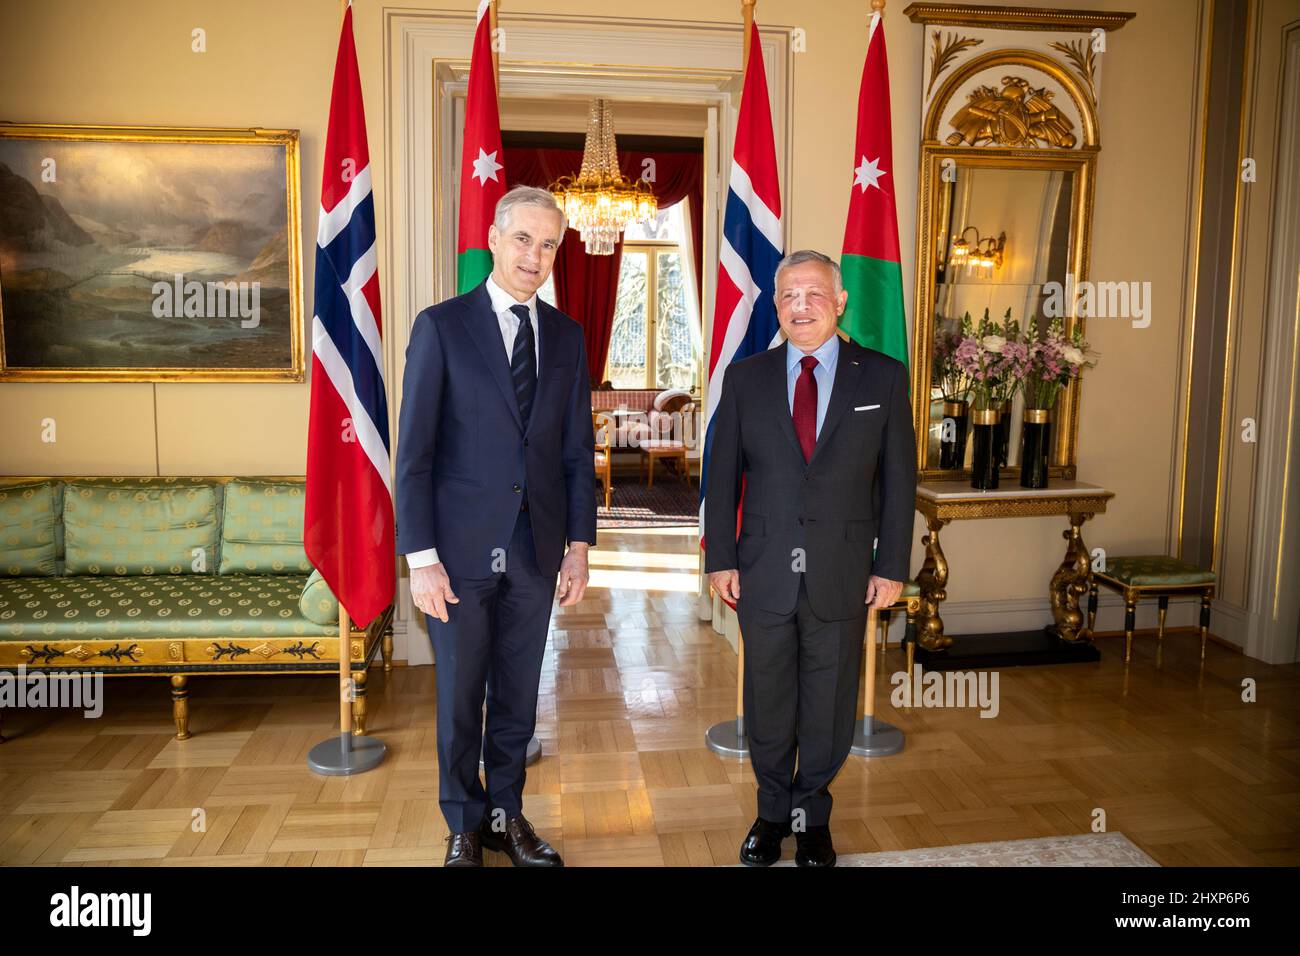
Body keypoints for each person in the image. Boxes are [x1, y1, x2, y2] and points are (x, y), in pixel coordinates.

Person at [395, 185, 596, 867]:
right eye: (523, 239)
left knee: (518, 692)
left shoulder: (566, 337)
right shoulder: (442, 327)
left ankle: (506, 818)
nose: (534, 256)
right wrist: (420, 559)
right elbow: (415, 455)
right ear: (495, 238)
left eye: (547, 245)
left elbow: (574, 450)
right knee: (459, 696)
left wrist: (578, 545)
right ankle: (463, 824)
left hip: (536, 550)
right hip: (455, 554)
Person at [704, 249, 916, 867]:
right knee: (769, 702)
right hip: (762, 570)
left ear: (840, 301)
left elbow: (899, 481)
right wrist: (721, 558)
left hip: (844, 572)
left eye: (815, 294)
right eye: (790, 295)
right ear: (776, 304)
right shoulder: (746, 379)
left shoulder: (882, 376)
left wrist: (892, 565)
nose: (802, 306)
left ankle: (810, 816)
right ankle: (771, 816)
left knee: (827, 704)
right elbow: (722, 481)